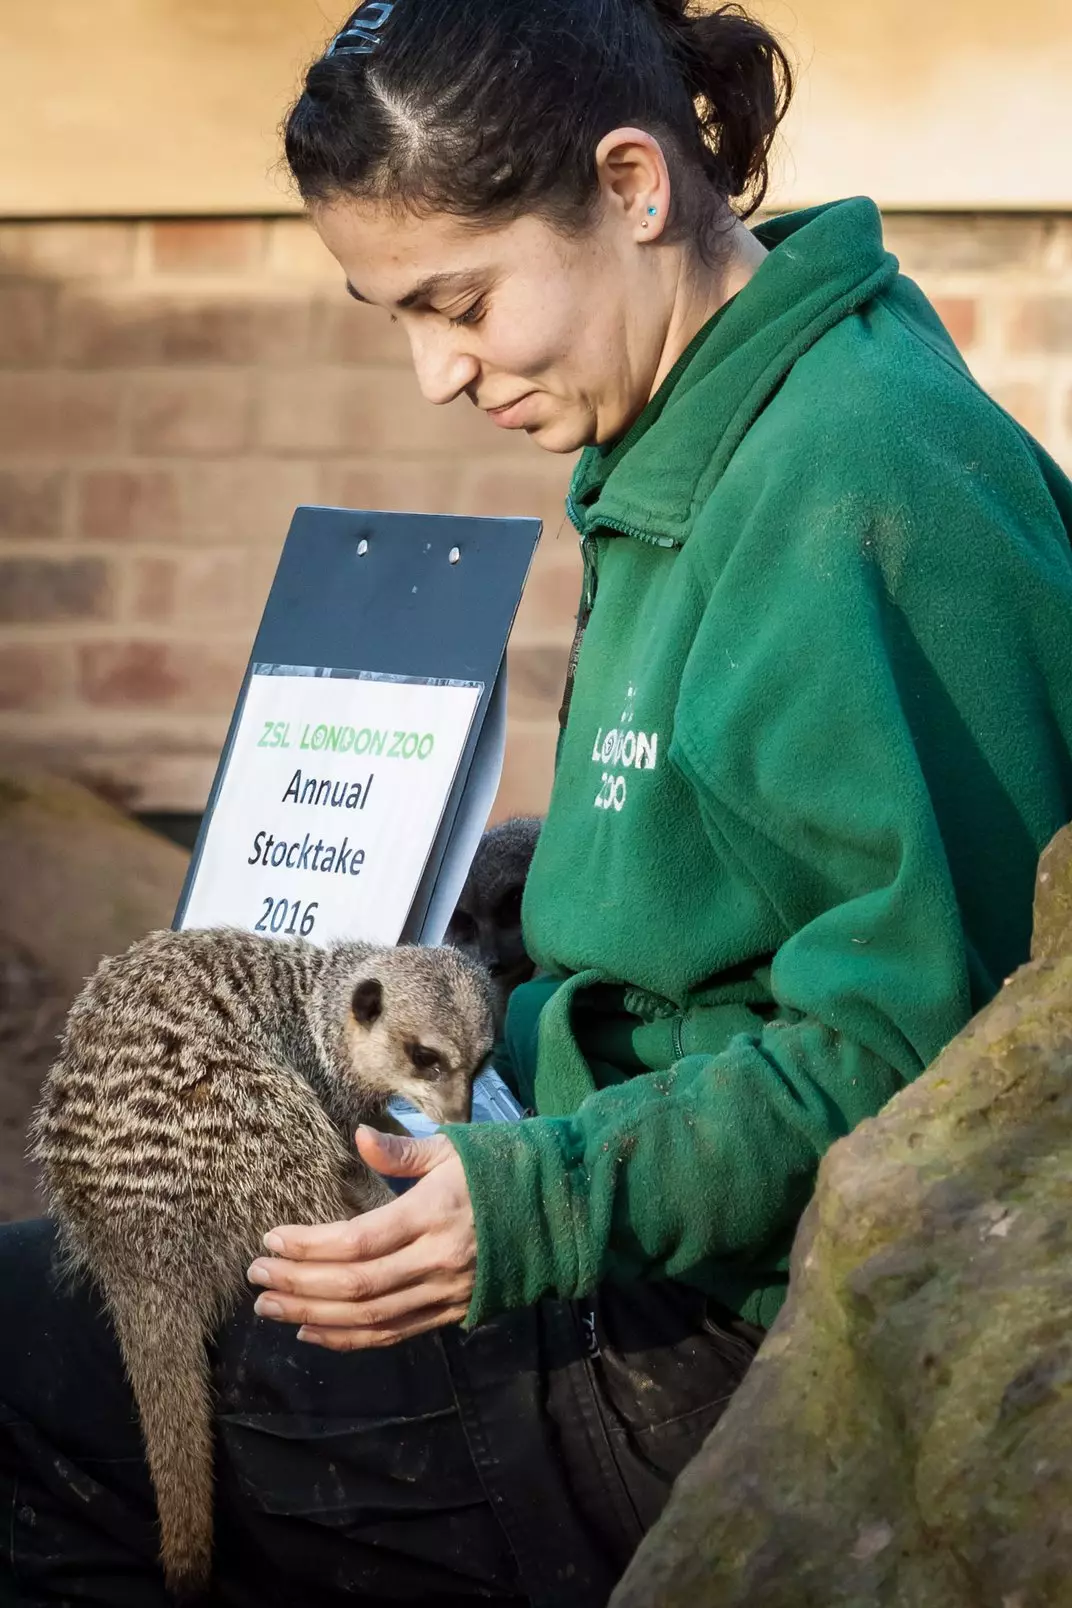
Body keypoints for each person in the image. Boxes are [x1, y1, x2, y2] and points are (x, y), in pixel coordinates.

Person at [4, 0, 1072, 1602]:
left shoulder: (865, 489)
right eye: (395, 319)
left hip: (730, 1348)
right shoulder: (688, 421)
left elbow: (943, 1058)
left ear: (634, 184)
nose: (437, 373)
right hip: (594, 1181)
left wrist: (540, 1204)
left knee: (34, 1386)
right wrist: (520, 886)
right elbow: (740, 865)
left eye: (462, 301)